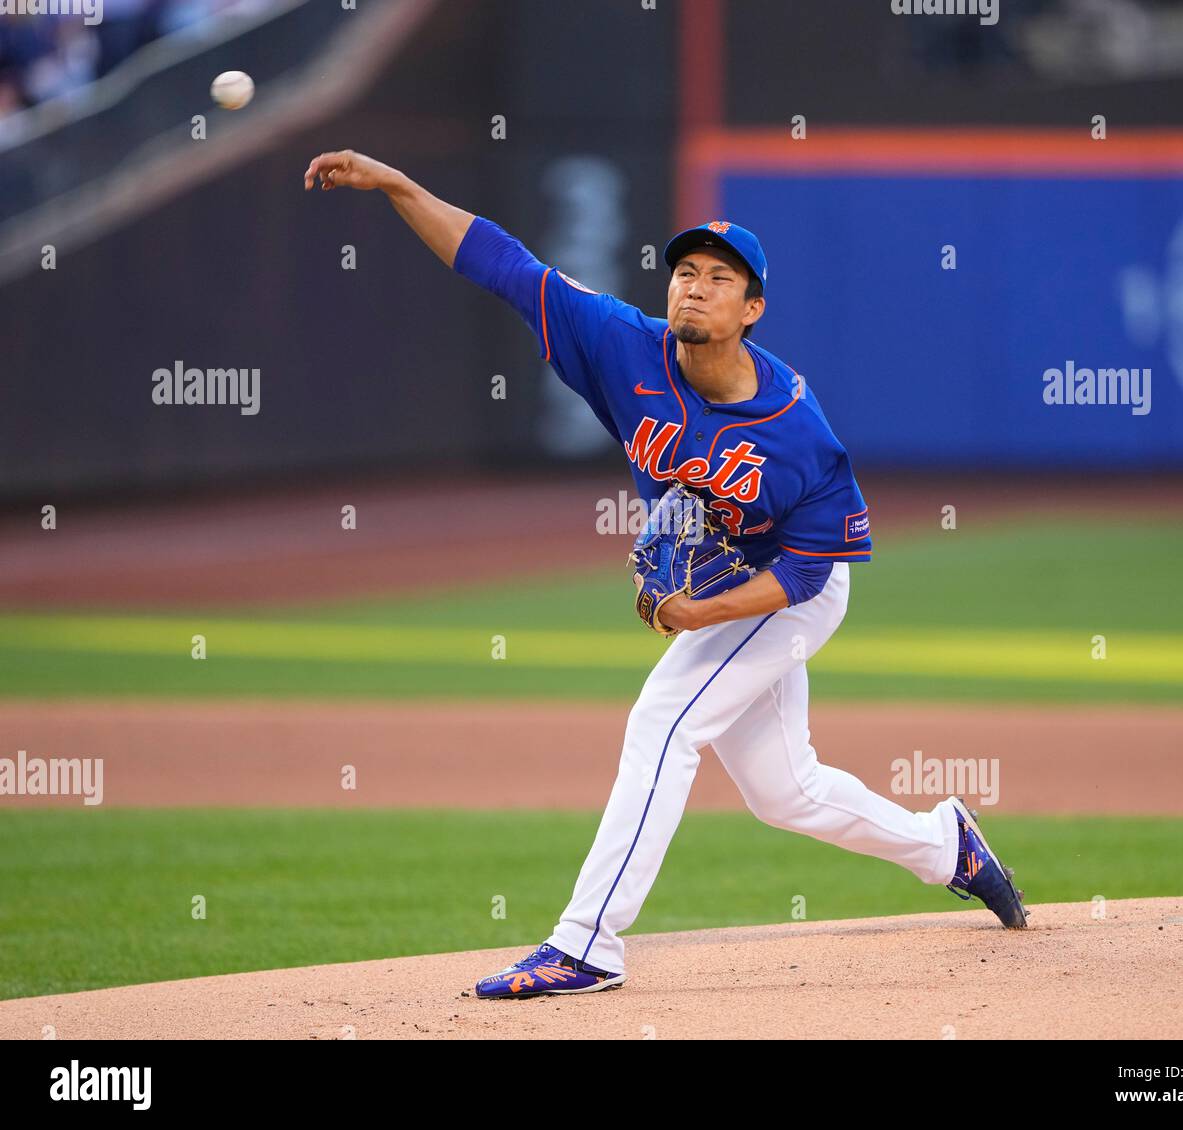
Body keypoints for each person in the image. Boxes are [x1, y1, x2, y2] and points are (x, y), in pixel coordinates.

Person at [303, 150, 1028, 1000]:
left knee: (663, 719)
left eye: (720, 278)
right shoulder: (620, 345)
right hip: (733, 590)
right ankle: (950, 845)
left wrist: (696, 613)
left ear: (752, 308)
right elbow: (501, 263)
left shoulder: (797, 429)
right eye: (685, 271)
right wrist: (399, 184)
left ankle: (587, 945)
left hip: (791, 590)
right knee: (784, 792)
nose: (694, 286)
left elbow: (804, 574)